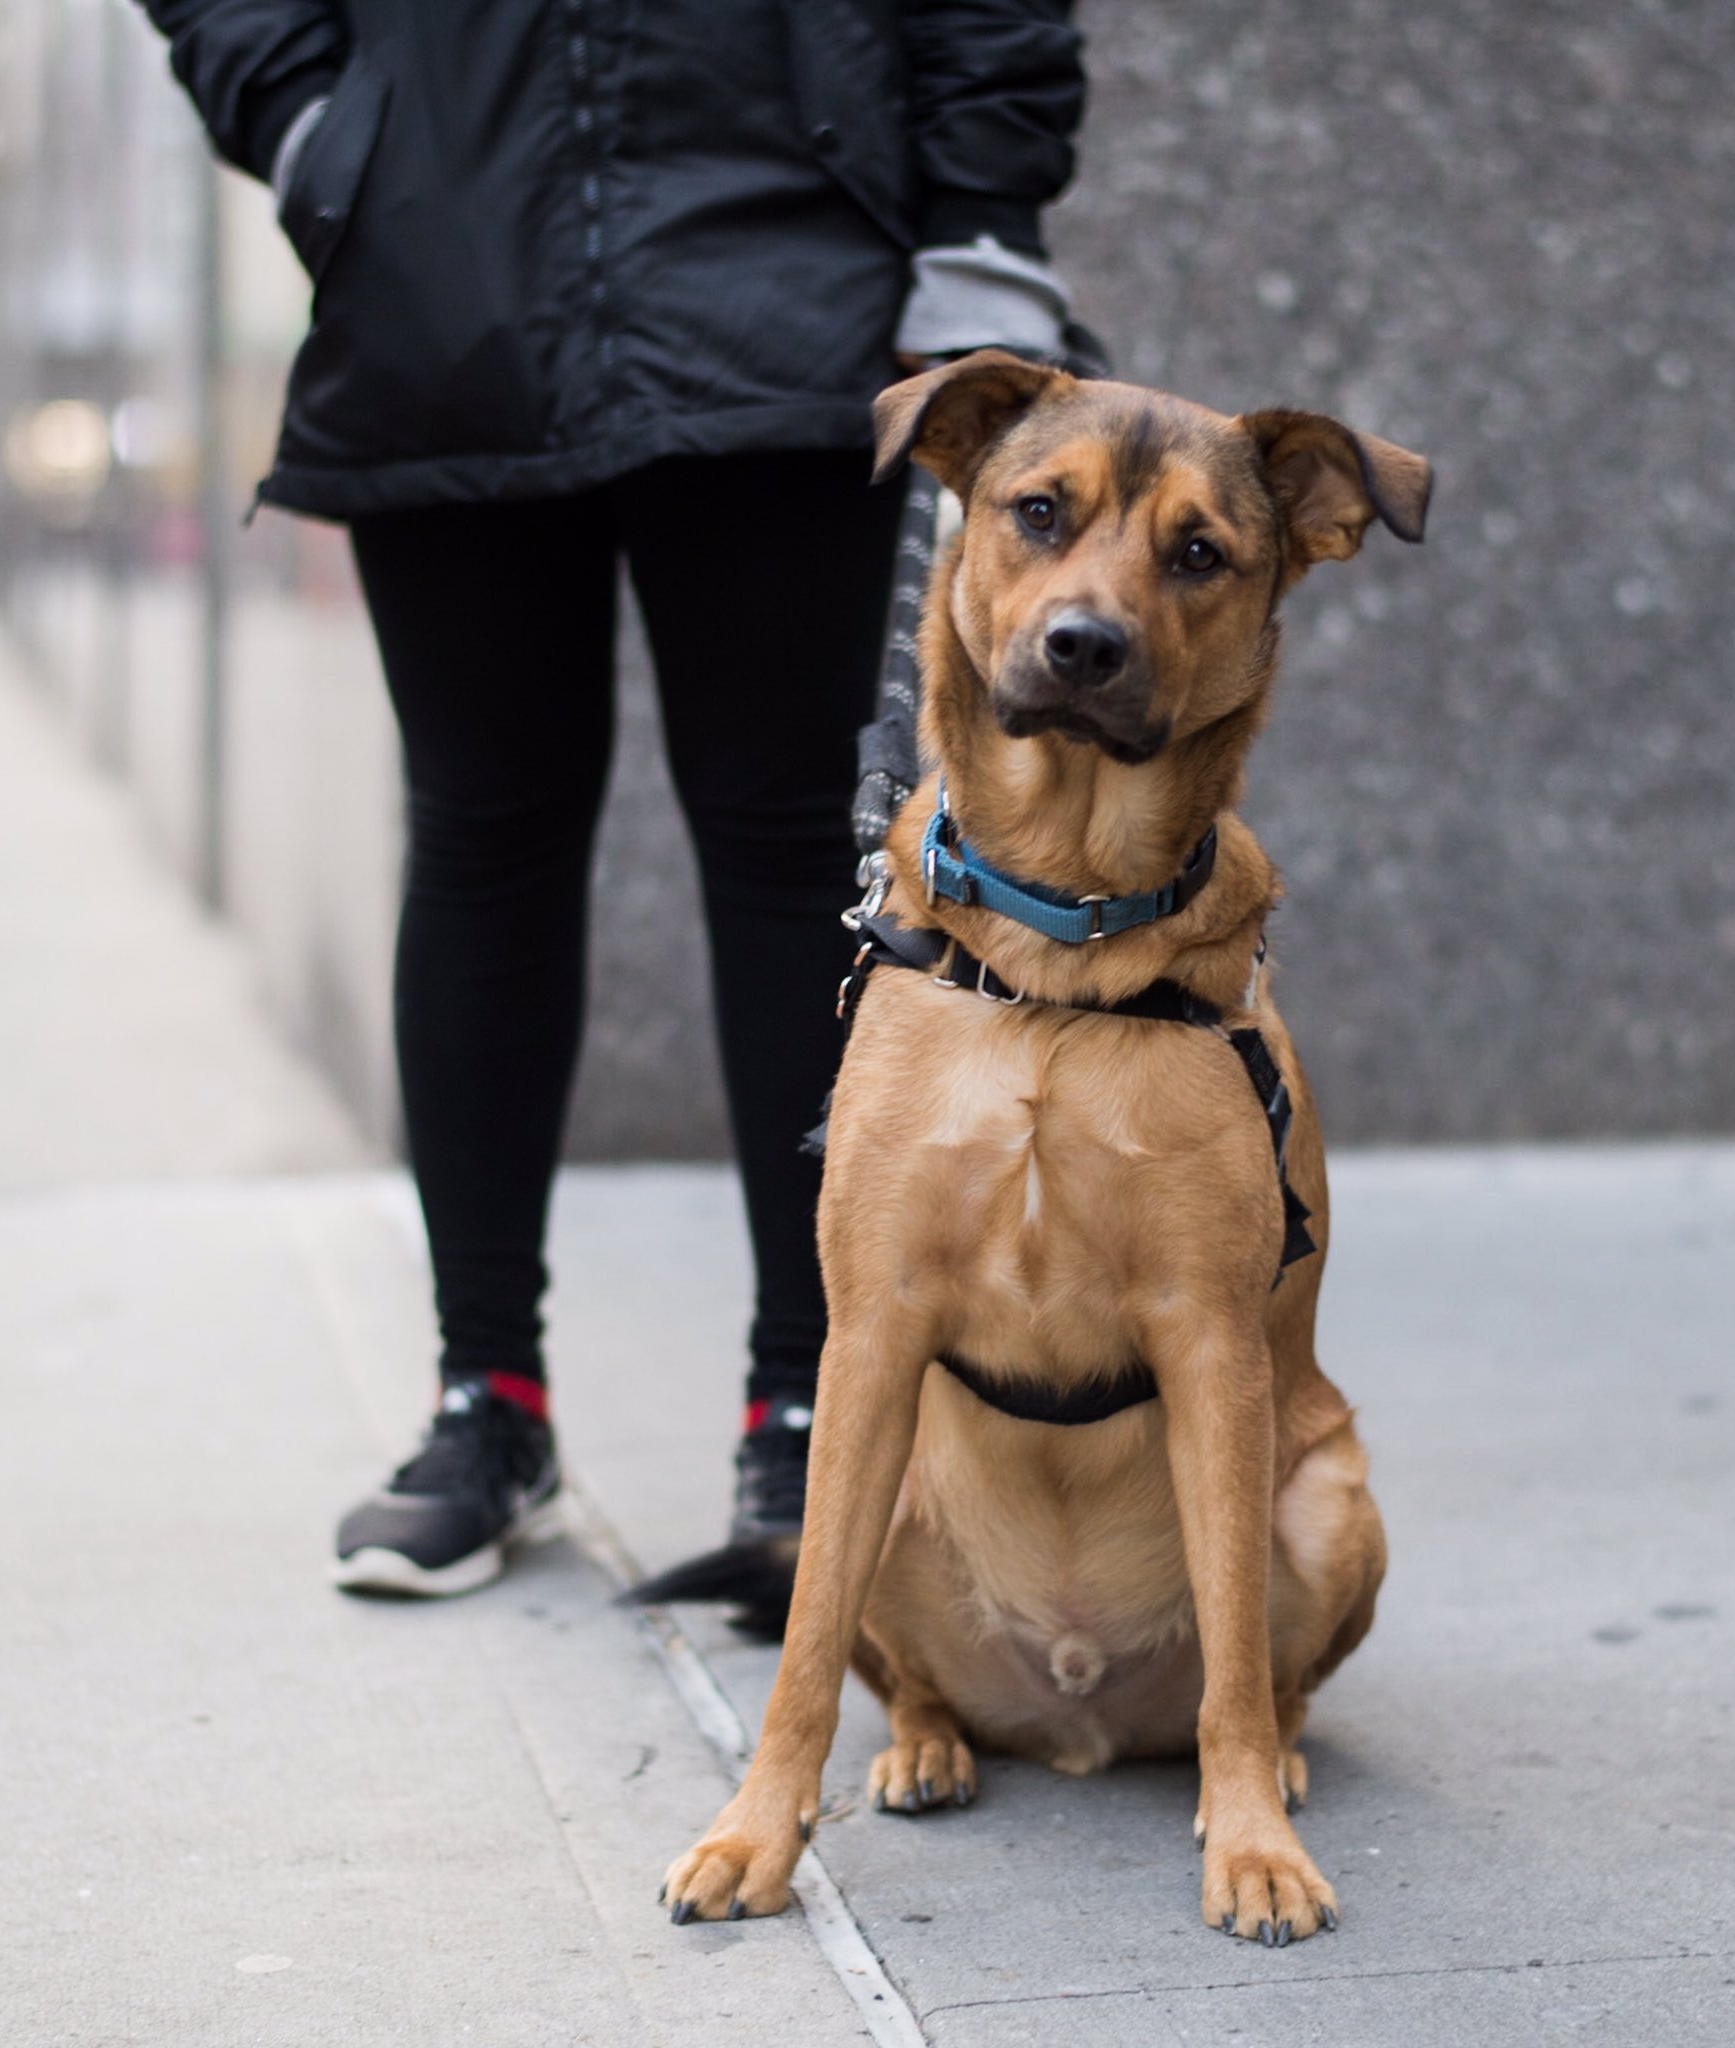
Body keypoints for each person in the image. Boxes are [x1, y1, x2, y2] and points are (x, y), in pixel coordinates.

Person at [138, 0, 1088, 1614]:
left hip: (792, 254)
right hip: (447, 257)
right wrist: (319, 128)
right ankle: (483, 1402)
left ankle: (808, 1409)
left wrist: (982, 219)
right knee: (484, 834)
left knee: (794, 848)